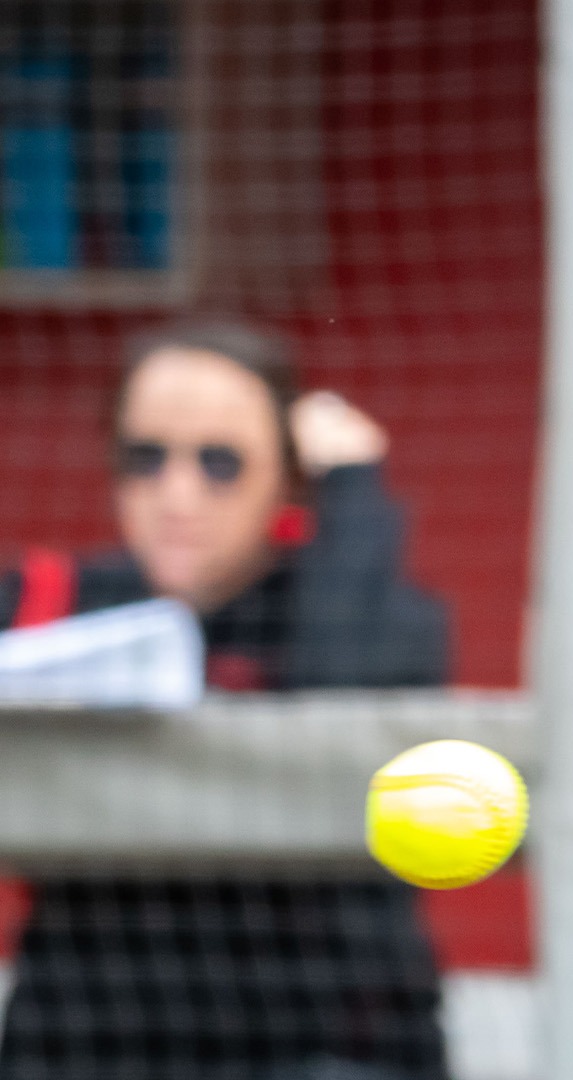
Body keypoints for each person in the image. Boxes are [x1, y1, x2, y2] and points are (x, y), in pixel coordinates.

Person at [0, 319, 450, 1080]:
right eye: (146, 457)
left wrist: (351, 485)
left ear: (287, 476)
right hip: (83, 1039)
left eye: (221, 462)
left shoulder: (363, 607)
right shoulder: (52, 601)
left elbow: (347, 695)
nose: (178, 494)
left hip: (317, 1041)